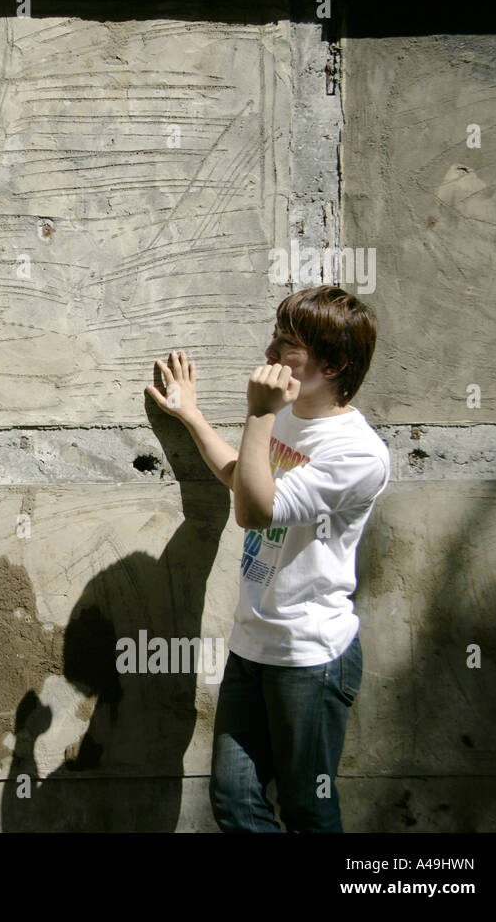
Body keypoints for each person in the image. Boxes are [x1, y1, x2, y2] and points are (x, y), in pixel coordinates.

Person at [146, 285, 390, 832]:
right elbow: (243, 478)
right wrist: (193, 417)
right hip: (253, 643)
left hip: (310, 657)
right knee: (235, 802)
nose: (270, 354)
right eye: (274, 338)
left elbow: (254, 512)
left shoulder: (357, 453)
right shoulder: (288, 415)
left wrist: (259, 414)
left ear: (333, 365)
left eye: (288, 346)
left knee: (308, 810)